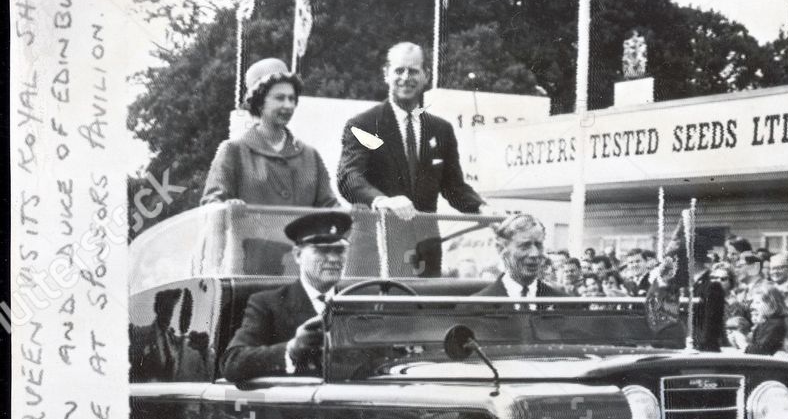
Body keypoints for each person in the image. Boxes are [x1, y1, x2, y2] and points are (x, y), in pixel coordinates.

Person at [337, 42, 484, 275]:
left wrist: (482, 208)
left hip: (424, 252)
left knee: (421, 312)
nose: (406, 77)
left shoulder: (440, 129)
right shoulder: (364, 124)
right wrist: (383, 201)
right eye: (399, 70)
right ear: (386, 74)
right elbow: (349, 177)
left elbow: (453, 186)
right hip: (375, 250)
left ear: (425, 75)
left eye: (414, 71)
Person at [220, 211, 351, 382]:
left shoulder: (358, 301)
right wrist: (291, 349)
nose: (334, 259)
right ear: (298, 255)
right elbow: (232, 362)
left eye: (340, 250)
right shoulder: (268, 304)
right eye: (322, 251)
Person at [203, 59, 339, 209]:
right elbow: (212, 204)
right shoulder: (234, 151)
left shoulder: (310, 156)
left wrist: (356, 215)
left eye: (292, 98)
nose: (288, 105)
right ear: (260, 102)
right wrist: (228, 207)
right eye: (279, 98)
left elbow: (330, 207)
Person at [472, 214, 567, 297]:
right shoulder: (474, 308)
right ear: (501, 249)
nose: (534, 254)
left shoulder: (566, 306)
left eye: (538, 245)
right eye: (525, 246)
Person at [745, 285, 788, 356]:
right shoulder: (766, 322)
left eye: (758, 303)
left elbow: (760, 350)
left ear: (771, 304)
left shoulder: (776, 325)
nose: (753, 306)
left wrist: (742, 344)